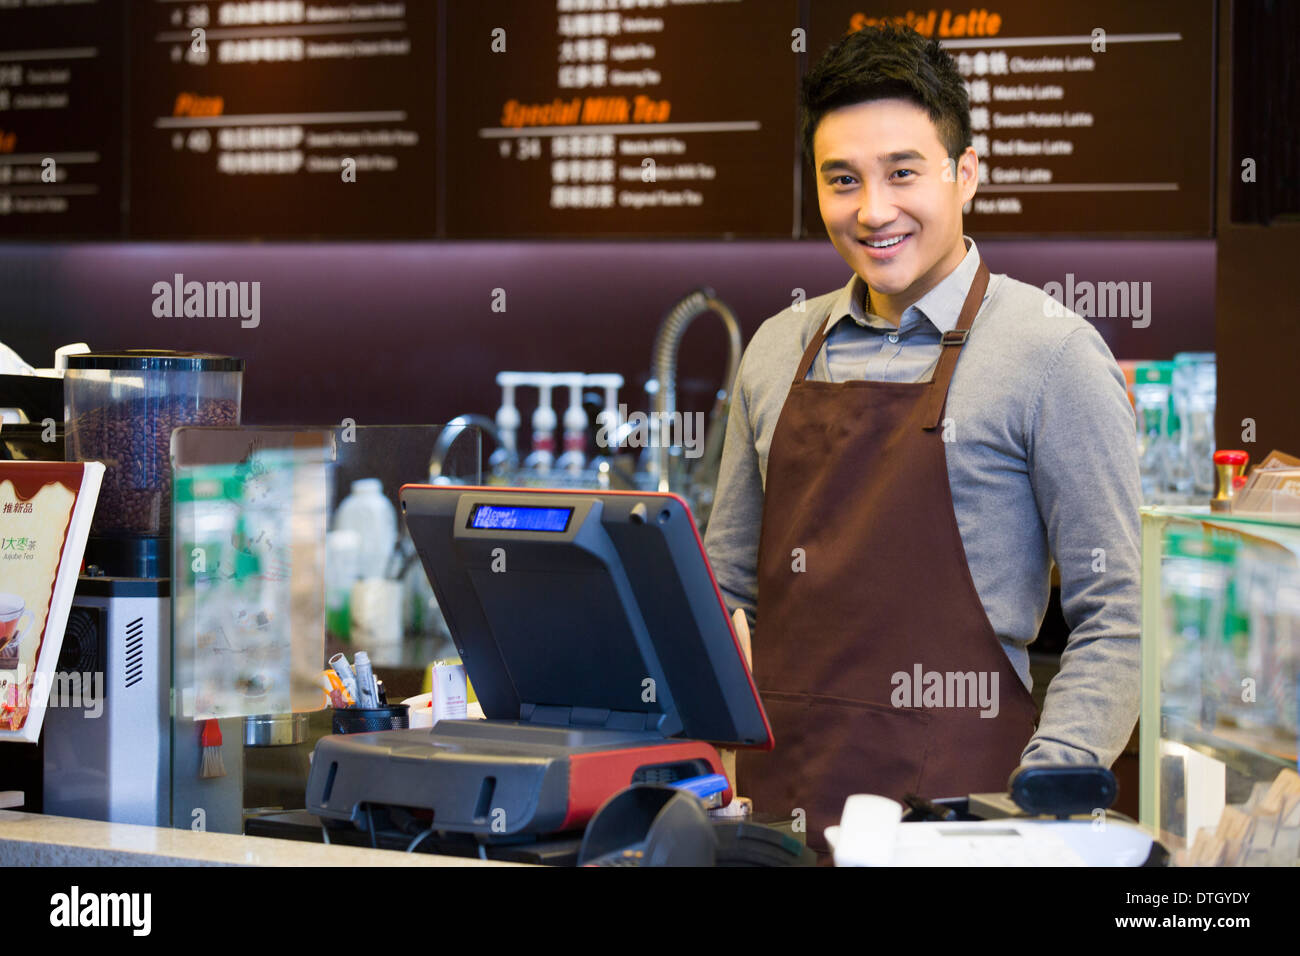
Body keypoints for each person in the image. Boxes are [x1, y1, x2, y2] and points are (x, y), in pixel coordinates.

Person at [704, 23, 1141, 853]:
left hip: (964, 827)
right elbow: (726, 592)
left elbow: (1118, 620)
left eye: (902, 172)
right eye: (842, 180)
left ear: (965, 172)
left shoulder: (1052, 354)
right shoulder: (776, 348)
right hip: (772, 820)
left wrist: (1039, 805)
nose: (873, 211)